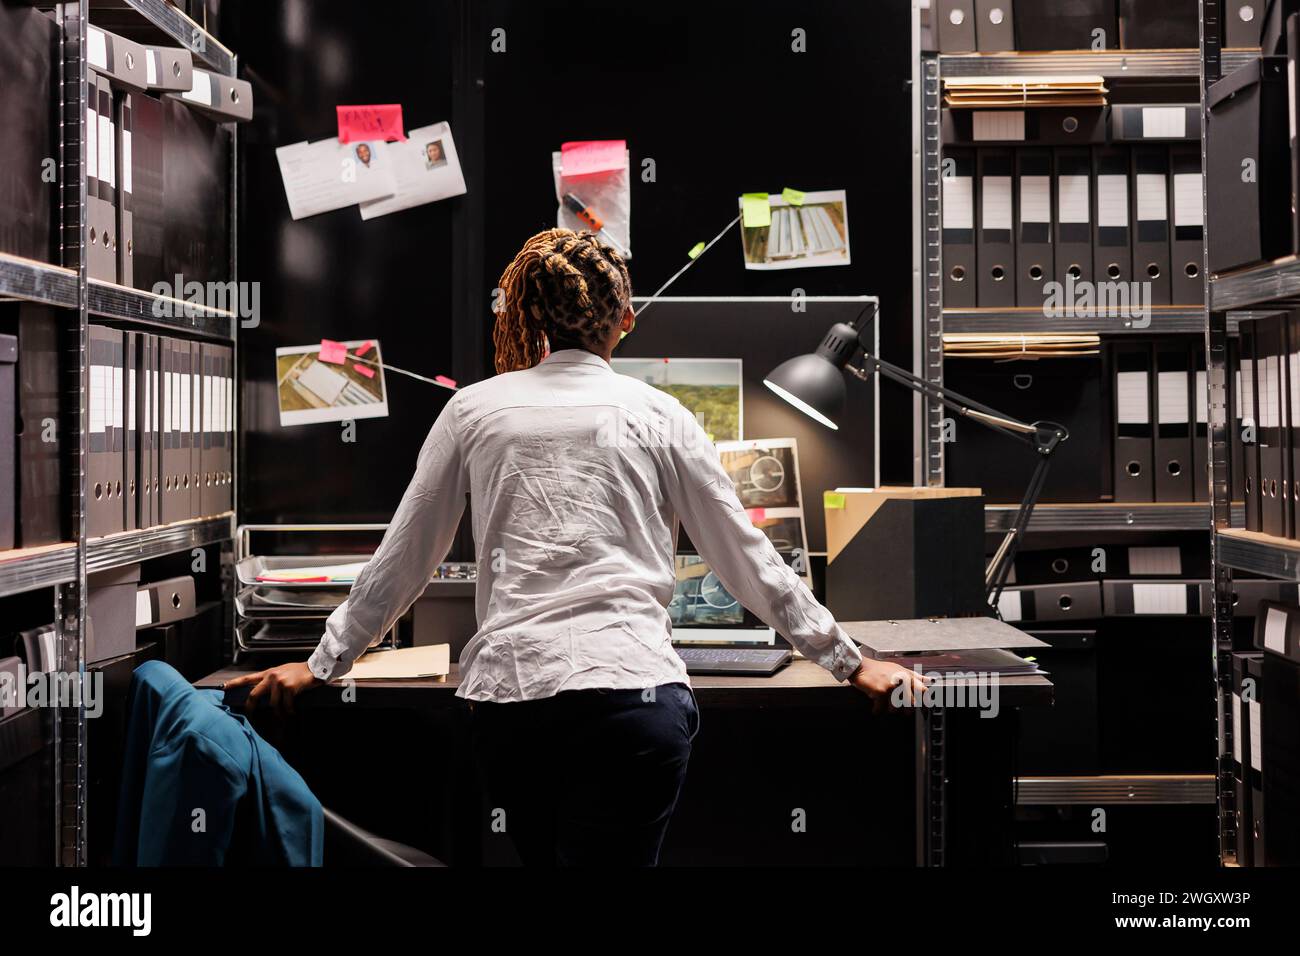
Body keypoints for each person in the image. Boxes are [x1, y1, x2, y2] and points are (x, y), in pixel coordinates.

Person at [227, 228, 929, 866]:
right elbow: (743, 553)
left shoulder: (473, 409)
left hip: (514, 705)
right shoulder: (660, 414)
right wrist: (848, 662)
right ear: (626, 320)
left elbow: (405, 556)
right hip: (634, 701)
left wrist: (322, 664)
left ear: (527, 315)